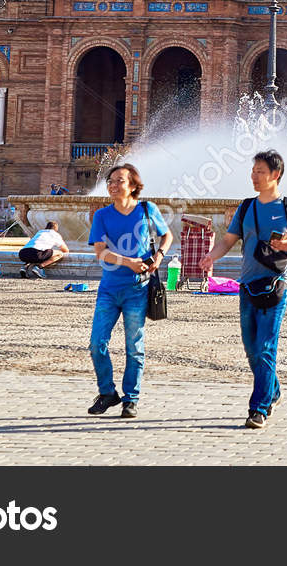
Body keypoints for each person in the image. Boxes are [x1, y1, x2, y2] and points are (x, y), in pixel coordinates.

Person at [201, 150, 287, 430]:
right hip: (248, 283)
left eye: (260, 171)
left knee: (265, 346)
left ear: (275, 175)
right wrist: (211, 257)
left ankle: (258, 408)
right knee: (251, 349)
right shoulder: (246, 207)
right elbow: (228, 240)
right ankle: (273, 389)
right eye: (253, 171)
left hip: (277, 282)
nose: (254, 176)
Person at [87, 163, 173, 419]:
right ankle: (107, 392)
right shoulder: (102, 215)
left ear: (133, 185)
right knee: (96, 344)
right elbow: (100, 252)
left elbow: (167, 235)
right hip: (109, 289)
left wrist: (159, 255)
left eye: (119, 181)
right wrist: (128, 262)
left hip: (139, 288)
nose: (112, 185)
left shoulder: (148, 210)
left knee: (134, 346)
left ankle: (130, 399)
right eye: (110, 181)